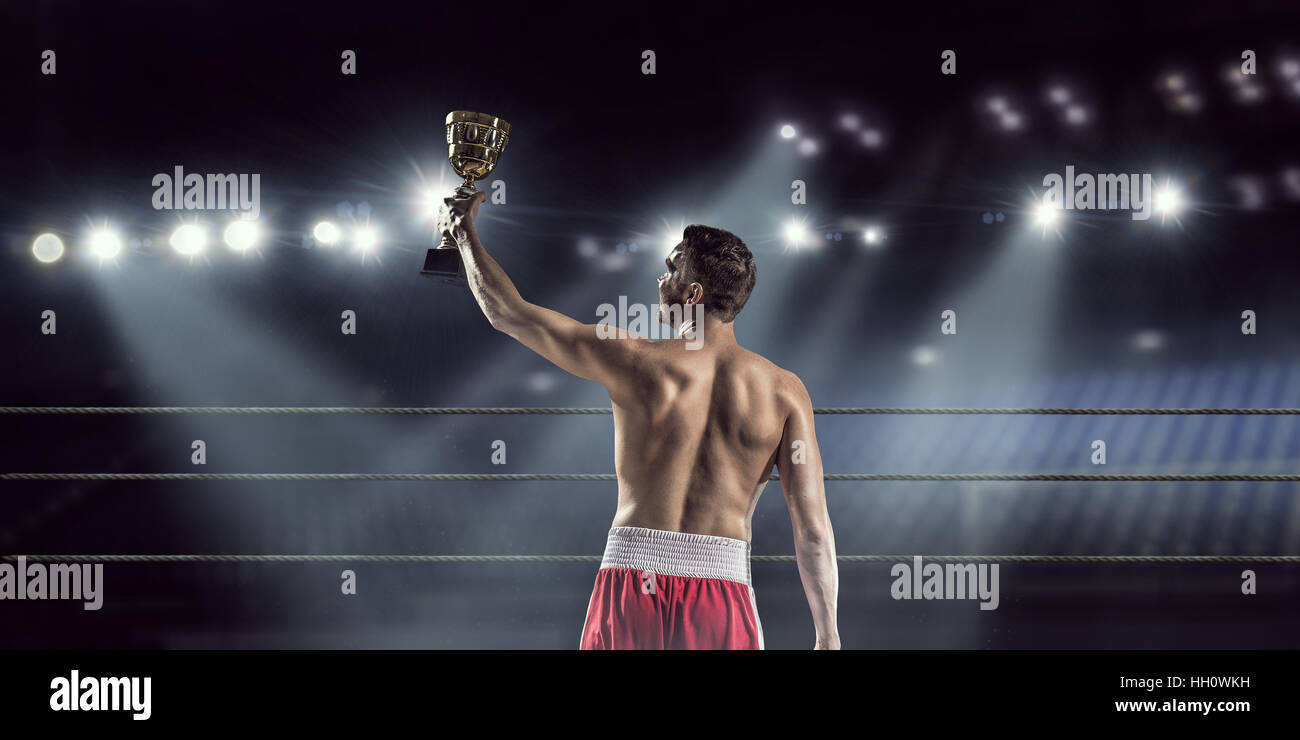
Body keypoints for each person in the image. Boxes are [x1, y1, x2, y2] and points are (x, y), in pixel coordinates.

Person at [437, 191, 839, 649]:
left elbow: (509, 314)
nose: (659, 279)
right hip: (721, 595)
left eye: (670, 269)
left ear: (694, 293)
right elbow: (812, 530)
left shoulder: (633, 359)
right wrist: (828, 639)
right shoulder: (785, 392)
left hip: (631, 585)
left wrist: (464, 234)